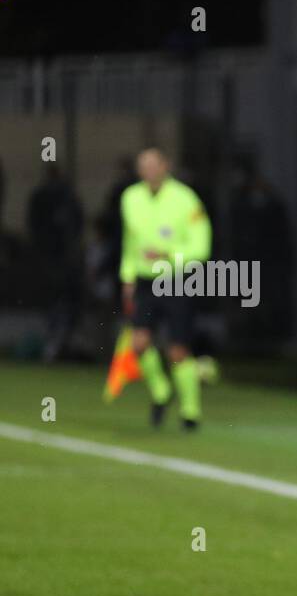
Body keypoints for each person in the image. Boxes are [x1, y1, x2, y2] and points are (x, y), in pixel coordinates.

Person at [119, 148, 212, 430]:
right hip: (146, 281)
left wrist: (169, 254)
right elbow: (130, 242)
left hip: (178, 279)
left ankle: (190, 411)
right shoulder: (131, 197)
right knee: (139, 343)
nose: (148, 170)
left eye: (153, 164)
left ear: (165, 166)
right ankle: (161, 391)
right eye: (142, 165)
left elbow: (201, 246)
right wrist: (128, 276)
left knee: (177, 351)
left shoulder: (185, 199)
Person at [27, 165, 84, 361]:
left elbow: (33, 223)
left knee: (58, 298)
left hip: (54, 257)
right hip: (57, 257)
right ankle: (57, 342)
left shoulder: (48, 197)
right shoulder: (64, 197)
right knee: (59, 299)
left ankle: (58, 342)